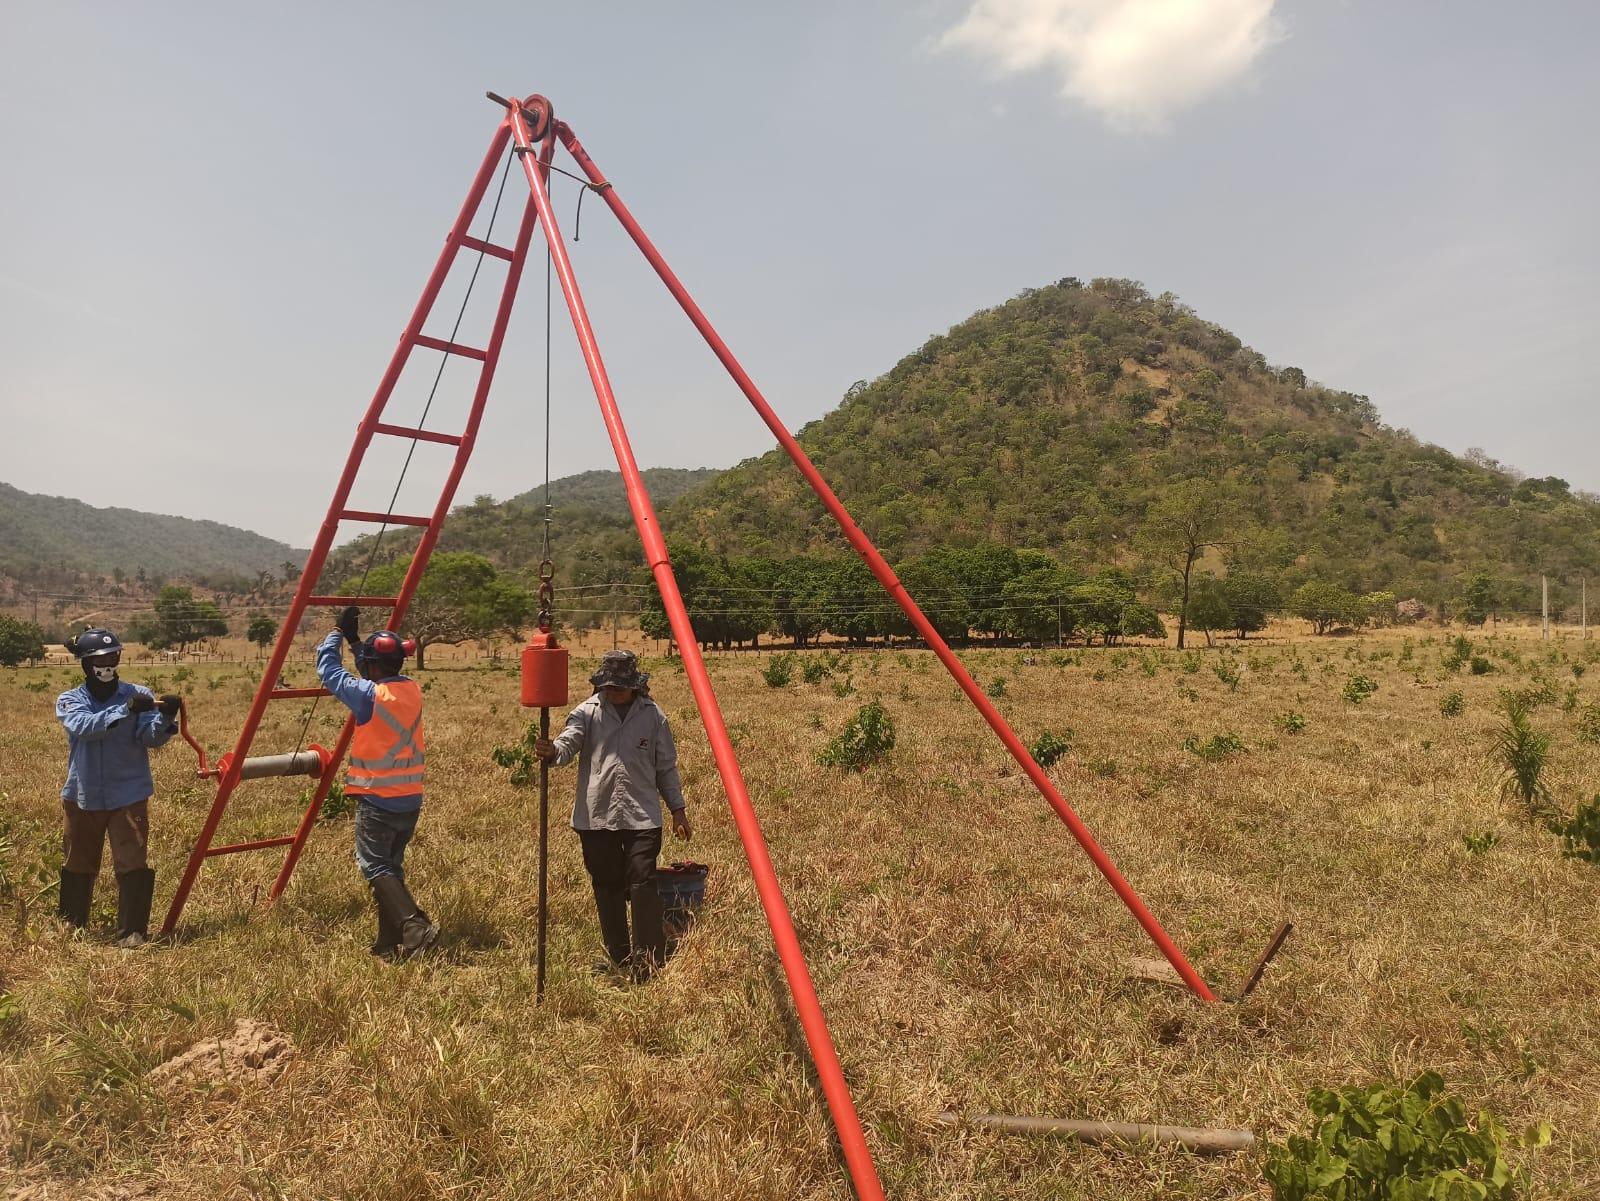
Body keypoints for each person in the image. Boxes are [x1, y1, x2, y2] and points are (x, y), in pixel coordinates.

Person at [535, 649, 691, 980]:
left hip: (642, 814)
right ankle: (619, 956)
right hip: (596, 816)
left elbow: (666, 767)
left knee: (643, 881)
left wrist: (678, 810)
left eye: (619, 686)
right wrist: (553, 751)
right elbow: (567, 744)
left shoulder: (653, 716)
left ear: (634, 685)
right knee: (606, 885)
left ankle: (648, 960)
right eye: (609, 686)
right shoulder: (586, 713)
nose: (614, 692)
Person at [317, 606, 438, 960]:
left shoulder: (369, 696)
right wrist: (356, 641)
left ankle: (415, 926)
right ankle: (389, 942)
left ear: (372, 666)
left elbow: (329, 671)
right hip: (409, 799)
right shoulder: (410, 689)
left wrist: (336, 634)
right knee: (391, 869)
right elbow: (371, 674)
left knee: (375, 867)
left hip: (377, 799)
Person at [56, 627, 181, 947]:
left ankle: (133, 933)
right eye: (100, 658)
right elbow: (85, 728)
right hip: (83, 795)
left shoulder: (138, 694)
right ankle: (72, 927)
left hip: (128, 795)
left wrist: (166, 717)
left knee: (132, 862)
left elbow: (150, 739)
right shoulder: (70, 700)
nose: (108, 663)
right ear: (86, 663)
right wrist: (124, 710)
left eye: (113, 656)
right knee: (78, 862)